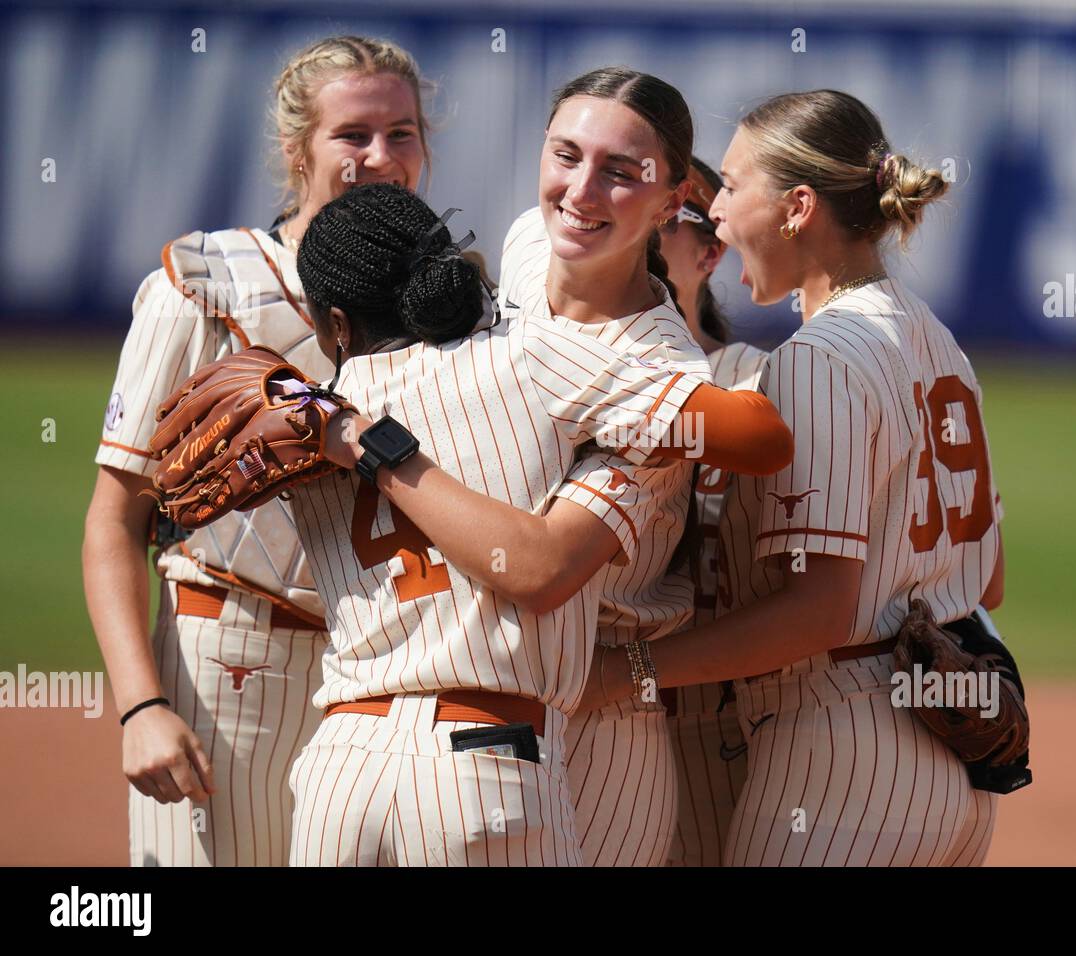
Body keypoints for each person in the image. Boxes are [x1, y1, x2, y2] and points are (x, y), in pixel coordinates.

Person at [284, 182, 792, 866]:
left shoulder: (302, 419)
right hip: (481, 761)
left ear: (336, 326)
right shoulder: (534, 358)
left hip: (338, 774)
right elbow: (760, 438)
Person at [580, 89, 1006, 867]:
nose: (717, 215)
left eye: (734, 188)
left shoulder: (818, 357)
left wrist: (626, 672)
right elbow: (992, 579)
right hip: (952, 757)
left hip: (841, 758)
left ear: (798, 207)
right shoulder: (939, 340)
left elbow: (817, 614)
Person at [81, 34, 432, 866]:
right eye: (353, 135)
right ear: (294, 148)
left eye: (403, 133)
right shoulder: (207, 284)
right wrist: (140, 707)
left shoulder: (453, 304)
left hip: (386, 679)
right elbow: (112, 525)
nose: (381, 156)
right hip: (230, 662)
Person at [493, 69, 733, 866]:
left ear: (673, 201)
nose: (581, 190)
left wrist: (372, 448)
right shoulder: (528, 242)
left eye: (621, 173)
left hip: (600, 725)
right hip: (469, 699)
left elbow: (544, 566)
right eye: (566, 155)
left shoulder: (665, 374)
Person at [655, 156, 768, 867]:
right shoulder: (543, 370)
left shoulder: (755, 381)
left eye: (664, 222)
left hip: (716, 726)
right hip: (580, 729)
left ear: (709, 250)